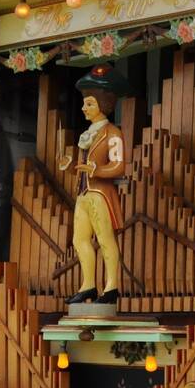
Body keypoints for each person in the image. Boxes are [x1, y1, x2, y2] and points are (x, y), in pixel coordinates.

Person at [60, 64, 129, 305]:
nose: (84, 108)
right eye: (84, 103)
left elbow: (119, 166)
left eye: (89, 103)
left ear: (104, 104)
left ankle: (111, 288)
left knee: (105, 239)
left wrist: (97, 169)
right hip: (83, 193)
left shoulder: (113, 133)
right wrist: (70, 165)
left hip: (101, 193)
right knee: (79, 239)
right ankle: (88, 285)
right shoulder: (87, 134)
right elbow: (83, 166)